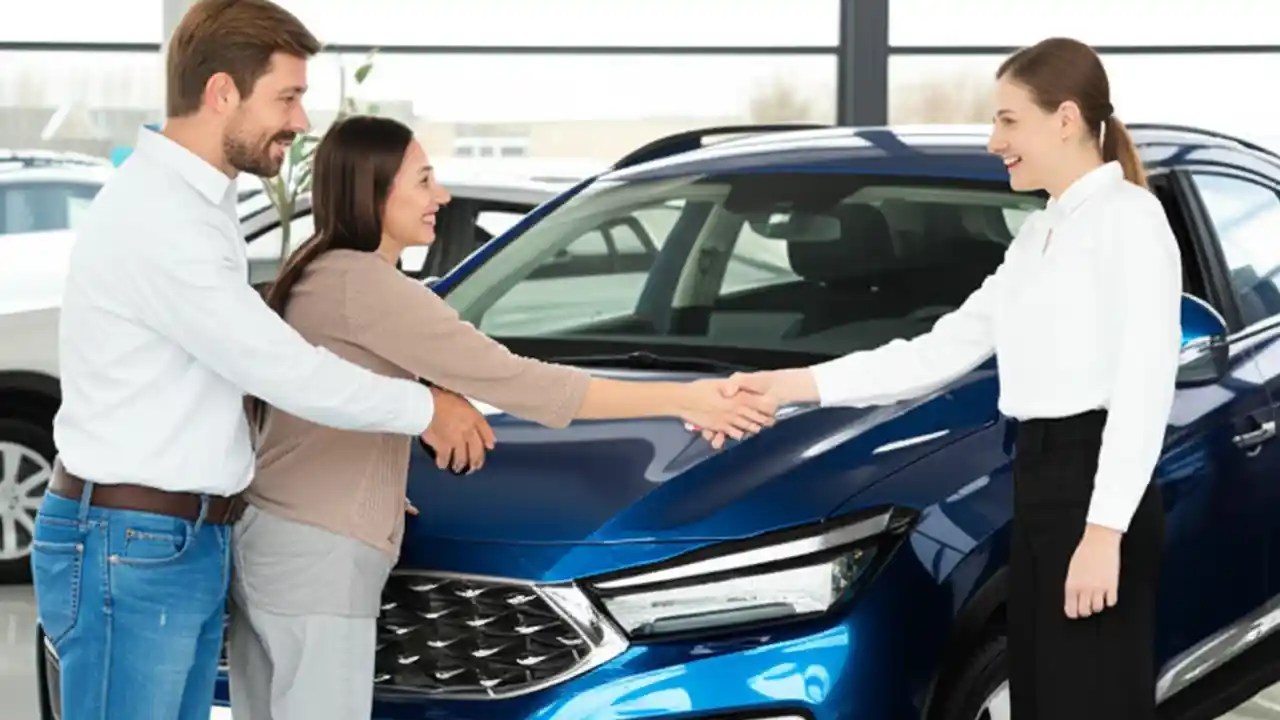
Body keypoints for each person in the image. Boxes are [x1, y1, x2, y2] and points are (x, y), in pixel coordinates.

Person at [28, 2, 552, 719]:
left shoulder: (198, 204)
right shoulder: (162, 218)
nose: (301, 121)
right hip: (131, 543)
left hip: (173, 538)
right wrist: (427, 407)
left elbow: (223, 380)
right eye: (287, 97)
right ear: (222, 92)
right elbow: (281, 368)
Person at [224, 114, 778, 720]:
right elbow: (523, 384)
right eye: (424, 181)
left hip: (279, 537)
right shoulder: (365, 285)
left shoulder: (321, 272)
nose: (442, 196)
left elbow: (328, 401)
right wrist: (685, 399)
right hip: (317, 555)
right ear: (374, 193)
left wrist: (407, 439)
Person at [707, 37, 1181, 719]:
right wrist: (789, 385)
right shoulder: (1042, 233)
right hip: (1040, 480)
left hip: (1094, 486)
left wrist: (1104, 533)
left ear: (1066, 119)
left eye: (1008, 120)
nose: (994, 141)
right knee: (1046, 700)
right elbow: (935, 351)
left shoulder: (1130, 219)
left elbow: (1144, 386)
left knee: (1093, 701)